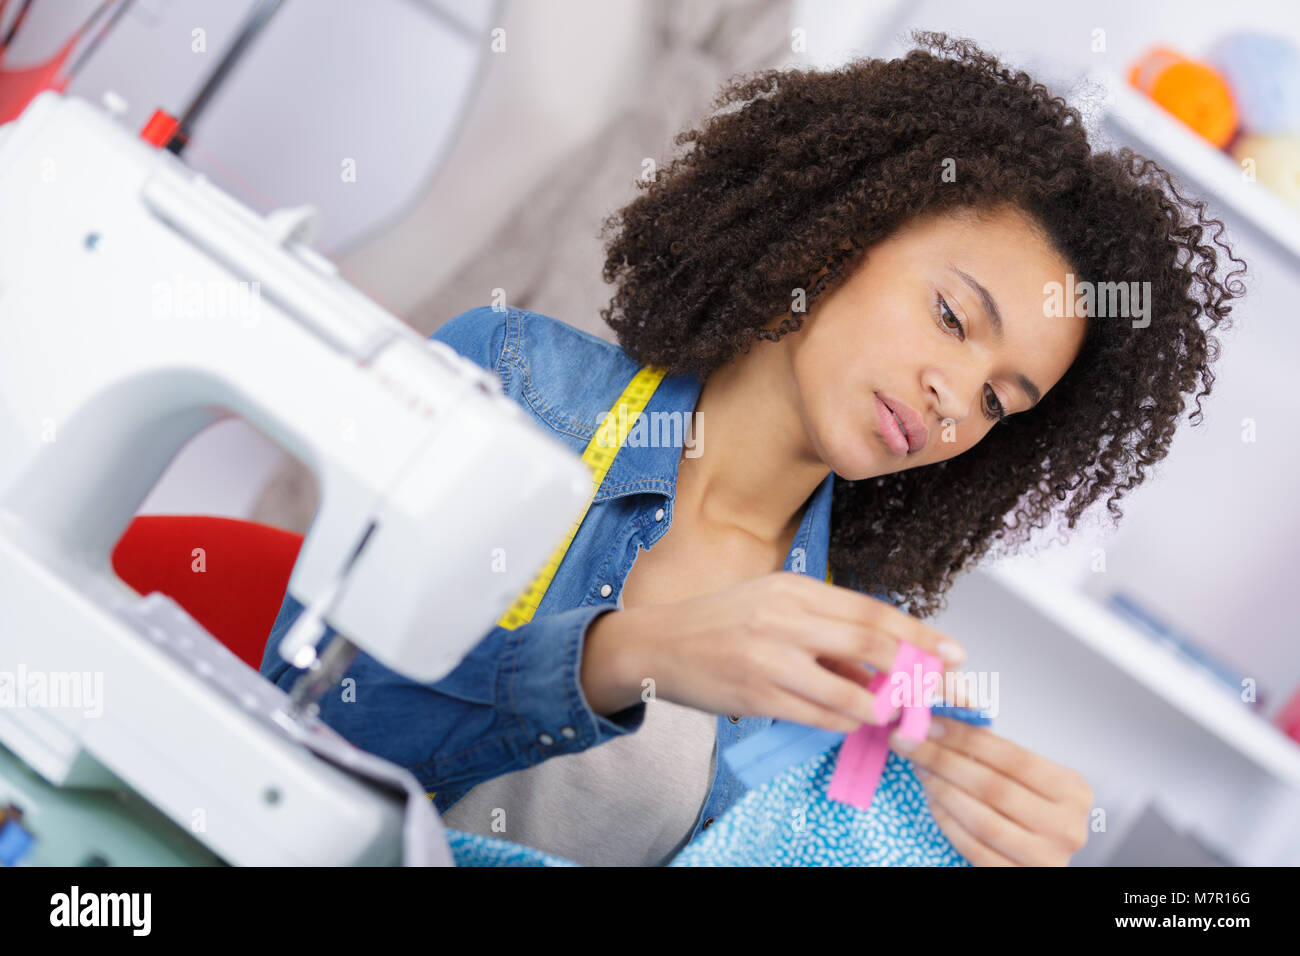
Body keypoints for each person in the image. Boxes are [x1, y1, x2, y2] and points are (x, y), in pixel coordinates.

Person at [260, 32, 1242, 866]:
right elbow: (300, 726)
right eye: (949, 315)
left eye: (998, 397)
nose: (954, 398)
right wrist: (623, 657)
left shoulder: (858, 651)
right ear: (833, 238)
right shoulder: (508, 380)